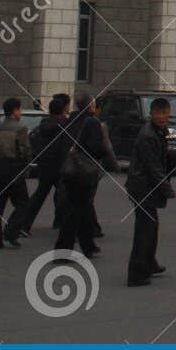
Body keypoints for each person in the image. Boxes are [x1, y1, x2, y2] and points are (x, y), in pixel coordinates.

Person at [55, 93, 113, 257]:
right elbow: (95, 148)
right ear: (90, 107)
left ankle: (88, 245)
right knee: (76, 211)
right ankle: (64, 250)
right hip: (84, 171)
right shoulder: (92, 123)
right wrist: (105, 157)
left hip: (70, 170)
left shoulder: (69, 121)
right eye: (94, 104)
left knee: (81, 208)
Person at [125, 97, 175, 287]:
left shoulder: (159, 132)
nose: (162, 117)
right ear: (151, 114)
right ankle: (136, 274)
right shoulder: (148, 135)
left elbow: (164, 158)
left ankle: (149, 263)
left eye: (165, 113)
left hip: (145, 186)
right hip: (142, 188)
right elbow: (152, 166)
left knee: (151, 228)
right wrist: (167, 188)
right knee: (144, 231)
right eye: (158, 114)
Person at [8, 94, 69, 241]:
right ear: (62, 111)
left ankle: (24, 225)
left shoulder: (43, 125)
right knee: (64, 196)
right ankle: (63, 223)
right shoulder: (64, 126)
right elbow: (65, 147)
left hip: (45, 165)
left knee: (39, 196)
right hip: (59, 165)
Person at [0, 98, 32, 250]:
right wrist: (27, 165)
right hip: (14, 170)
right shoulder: (20, 128)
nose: (21, 113)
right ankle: (11, 231)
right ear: (14, 110)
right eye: (20, 110)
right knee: (23, 204)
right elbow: (25, 151)